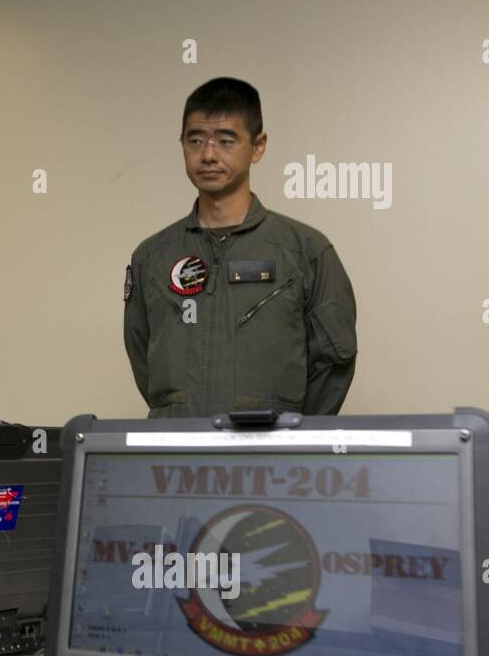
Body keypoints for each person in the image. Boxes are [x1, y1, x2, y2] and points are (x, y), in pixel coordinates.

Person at [124, 77, 357, 418]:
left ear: (258, 146)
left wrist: (288, 434)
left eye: (225, 140)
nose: (208, 154)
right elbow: (142, 357)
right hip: (175, 458)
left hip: (271, 462)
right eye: (195, 140)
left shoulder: (305, 251)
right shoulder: (152, 257)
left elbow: (334, 361)